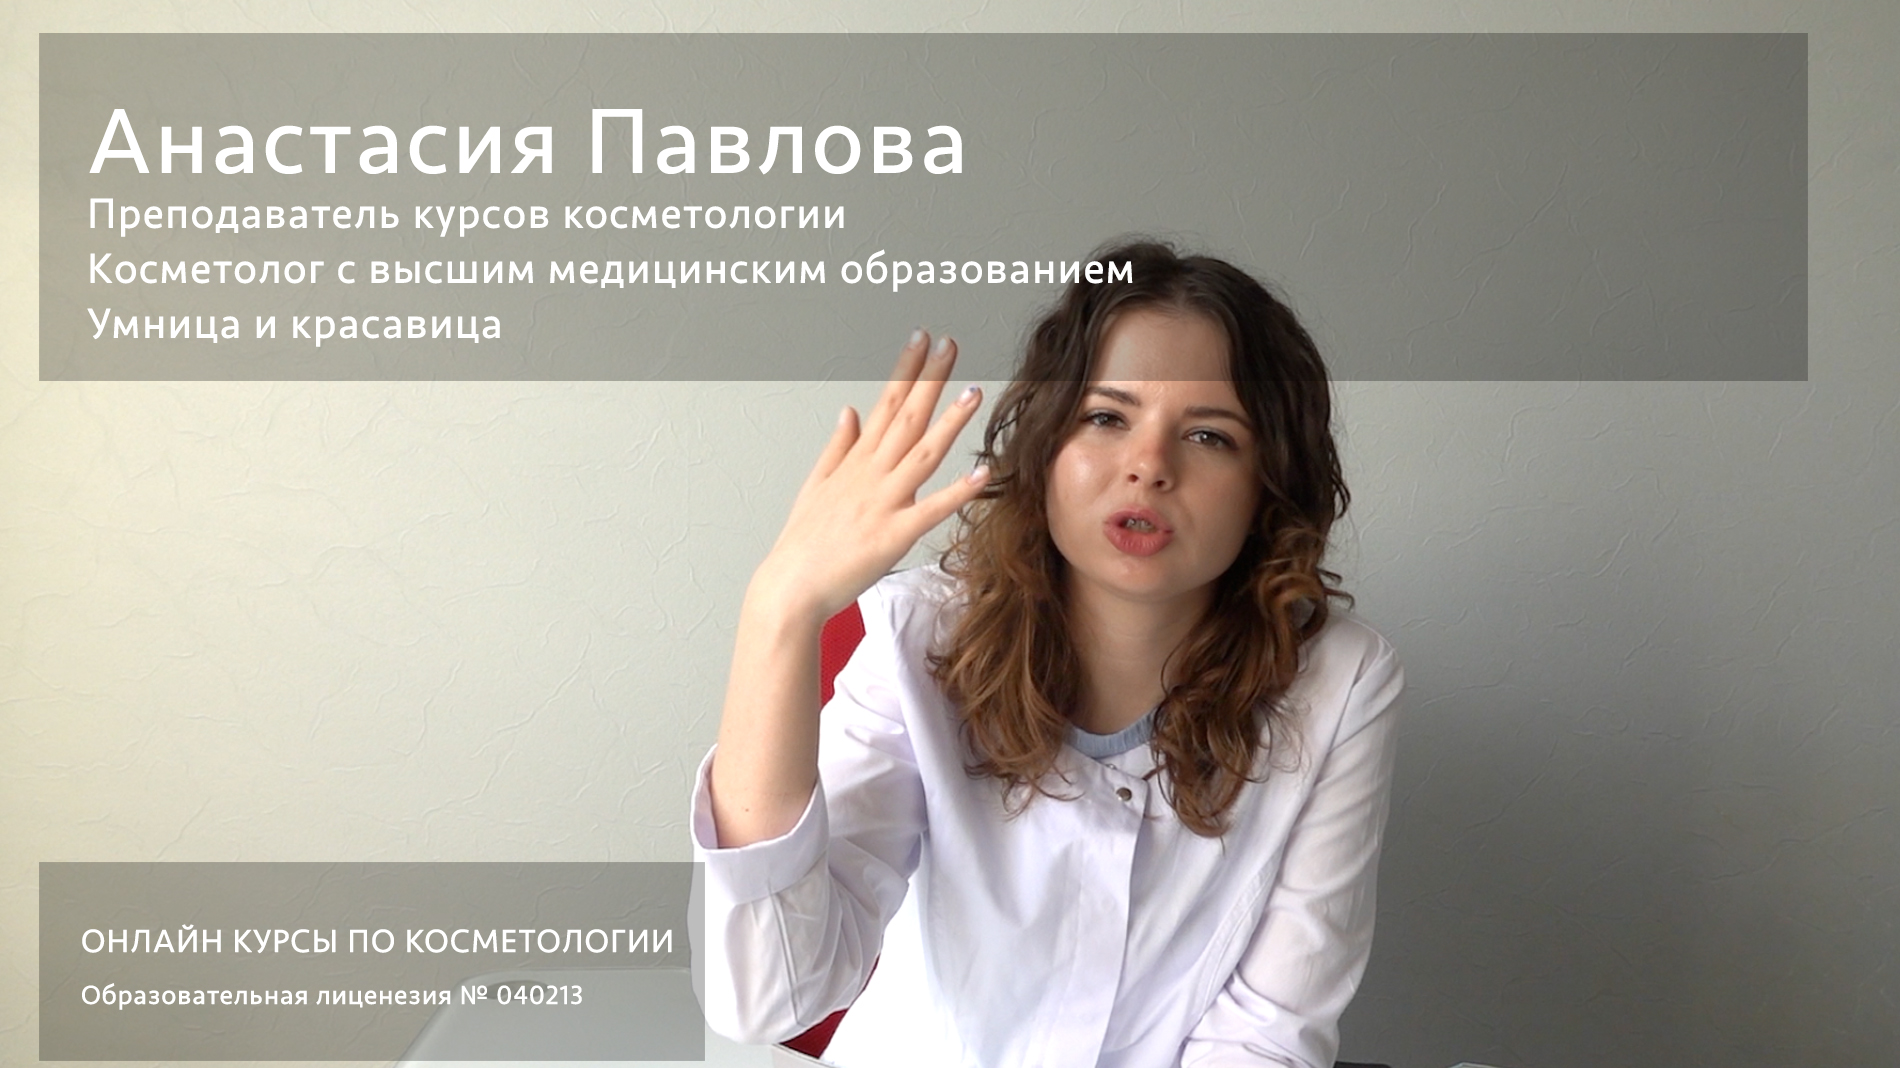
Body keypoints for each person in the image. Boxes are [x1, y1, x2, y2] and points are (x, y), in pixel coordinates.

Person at [689, 240, 1404, 1068]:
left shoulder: (1343, 683)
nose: (1148, 466)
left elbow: (1268, 1031)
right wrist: (779, 611)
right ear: (1045, 447)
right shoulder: (916, 634)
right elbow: (767, 995)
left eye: (1209, 435)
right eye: (1106, 418)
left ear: (1269, 485)